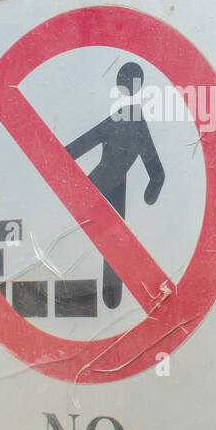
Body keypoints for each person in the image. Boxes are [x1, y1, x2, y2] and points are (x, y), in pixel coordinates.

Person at [65, 62, 164, 308]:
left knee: (113, 242)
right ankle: (108, 296)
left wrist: (153, 189)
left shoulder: (133, 120)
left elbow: (156, 170)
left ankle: (111, 296)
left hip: (112, 188)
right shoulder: (120, 119)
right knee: (110, 241)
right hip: (97, 186)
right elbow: (80, 145)